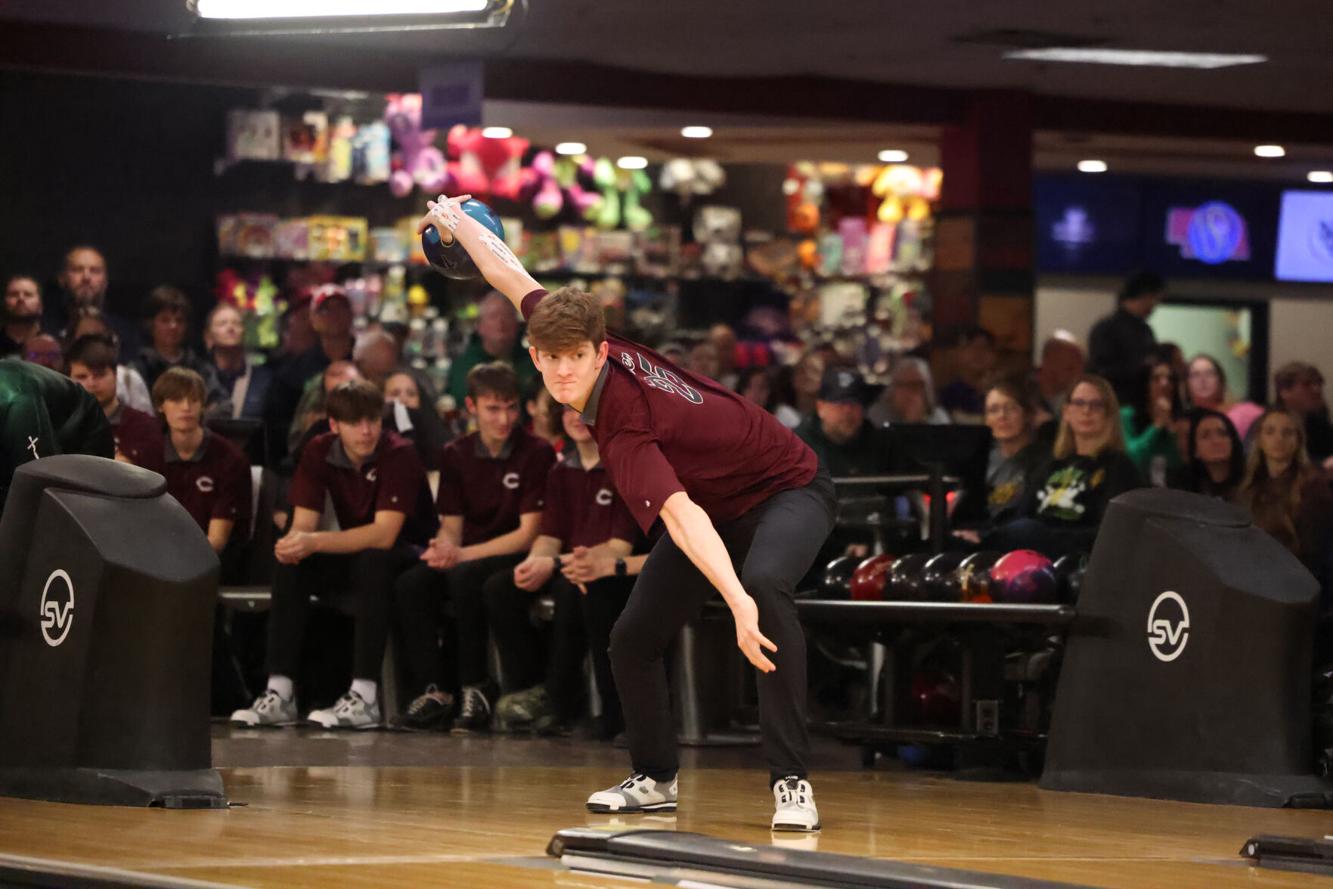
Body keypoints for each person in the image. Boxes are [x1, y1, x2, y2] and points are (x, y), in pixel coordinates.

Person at [421, 192, 834, 831]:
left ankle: (791, 782)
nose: (564, 372)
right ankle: (656, 778)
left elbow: (681, 516)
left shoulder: (624, 426)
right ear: (535, 355)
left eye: (575, 359)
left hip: (788, 487)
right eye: (551, 360)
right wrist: (454, 221)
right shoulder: (570, 328)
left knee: (763, 588)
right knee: (631, 639)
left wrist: (737, 602)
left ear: (600, 352)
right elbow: (509, 273)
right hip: (714, 504)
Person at [230, 379, 437, 730]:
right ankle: (280, 691)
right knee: (291, 563)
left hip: (409, 553)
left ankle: (365, 696)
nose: (366, 431)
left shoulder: (399, 453)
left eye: (373, 420)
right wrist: (294, 543)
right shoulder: (319, 449)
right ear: (334, 425)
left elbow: (385, 534)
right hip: (355, 550)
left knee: (372, 559)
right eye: (355, 422)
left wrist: (312, 541)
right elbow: (304, 524)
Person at [392, 362, 554, 734]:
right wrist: (443, 548)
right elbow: (452, 526)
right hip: (471, 553)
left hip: (515, 552)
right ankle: (435, 691)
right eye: (493, 409)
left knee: (465, 577)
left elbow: (528, 534)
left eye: (511, 407)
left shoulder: (536, 452)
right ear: (471, 407)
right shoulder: (455, 452)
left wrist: (460, 555)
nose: (504, 418)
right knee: (412, 583)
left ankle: (476, 686)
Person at [481, 404, 645, 738]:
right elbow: (549, 537)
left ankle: (561, 698)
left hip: (607, 570)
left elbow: (618, 548)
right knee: (501, 586)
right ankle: (529, 688)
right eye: (569, 411)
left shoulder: (624, 466)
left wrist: (555, 563)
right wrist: (536, 561)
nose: (577, 418)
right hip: (570, 563)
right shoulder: (561, 470)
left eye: (586, 410)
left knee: (573, 587)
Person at [986, 374, 1142, 558]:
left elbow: (1111, 532)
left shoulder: (1119, 466)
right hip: (1031, 548)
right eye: (1079, 403)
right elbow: (1023, 513)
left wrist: (1049, 536)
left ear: (1109, 415)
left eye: (1096, 405)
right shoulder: (1051, 464)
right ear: (1066, 411)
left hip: (1077, 557)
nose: (1086, 411)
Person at [147, 368, 252, 553]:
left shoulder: (231, 459)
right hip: (155, 554)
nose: (186, 407)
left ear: (203, 405)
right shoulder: (147, 454)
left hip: (212, 560)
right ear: (160, 406)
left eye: (193, 400)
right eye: (176, 400)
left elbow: (217, 541)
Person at [0, 357, 114, 513]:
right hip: (25, 419)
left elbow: (41, 480)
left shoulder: (19, 401)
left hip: (82, 433)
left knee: (45, 501)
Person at [263, 285, 355, 463]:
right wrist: (303, 423)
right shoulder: (293, 371)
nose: (334, 315)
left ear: (351, 315)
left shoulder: (368, 361)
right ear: (313, 319)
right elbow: (274, 422)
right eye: (325, 309)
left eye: (341, 308)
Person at [1238, 408, 1333, 575]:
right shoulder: (1248, 484)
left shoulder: (1313, 487)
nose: (1278, 439)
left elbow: (1314, 548)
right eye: (1270, 432)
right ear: (1259, 438)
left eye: (1287, 432)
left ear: (1298, 440)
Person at [66, 334, 160, 467]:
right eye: (82, 377)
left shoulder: (144, 427)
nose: (91, 383)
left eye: (99, 375)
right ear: (68, 379)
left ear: (115, 375)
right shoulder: (59, 426)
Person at [133, 286, 230, 415]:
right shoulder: (138, 370)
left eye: (179, 320)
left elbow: (222, 405)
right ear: (150, 324)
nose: (173, 326)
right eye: (165, 320)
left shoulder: (201, 368)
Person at [46, 246, 141, 362]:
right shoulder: (45, 329)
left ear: (105, 281)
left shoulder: (125, 333)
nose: (86, 277)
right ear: (62, 278)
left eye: (95, 271)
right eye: (77, 270)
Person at [444, 291, 538, 406]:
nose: (501, 322)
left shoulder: (533, 363)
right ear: (479, 326)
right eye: (493, 316)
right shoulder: (464, 366)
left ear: (517, 324)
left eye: (507, 315)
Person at [977, 379, 1049, 526]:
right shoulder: (980, 460)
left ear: (1027, 414)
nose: (1002, 416)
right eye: (993, 410)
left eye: (1011, 408)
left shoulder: (1046, 461)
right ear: (986, 419)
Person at [795, 367, 889, 479]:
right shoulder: (798, 446)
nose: (847, 411)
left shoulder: (880, 443)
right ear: (821, 407)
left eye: (854, 404)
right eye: (840, 404)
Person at [1088, 271, 1163, 404]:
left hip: (1141, 403)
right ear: (1145, 295)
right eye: (1154, 299)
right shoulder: (1107, 328)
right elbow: (1101, 370)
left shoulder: (1145, 330)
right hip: (1115, 400)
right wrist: (1140, 368)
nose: (1154, 306)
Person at [67, 306, 154, 413]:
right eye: (85, 337)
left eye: (97, 336)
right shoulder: (60, 380)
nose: (91, 383)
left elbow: (144, 419)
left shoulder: (129, 378)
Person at [1120, 357, 1187, 487]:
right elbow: (1131, 458)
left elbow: (1180, 464)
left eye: (1170, 379)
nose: (1165, 384)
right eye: (1156, 379)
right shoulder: (1126, 415)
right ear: (1144, 384)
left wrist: (1171, 430)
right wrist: (1156, 427)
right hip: (1134, 489)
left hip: (1171, 490)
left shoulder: (1180, 420)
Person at [205, 303, 271, 420]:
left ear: (244, 333)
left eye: (236, 323)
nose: (230, 328)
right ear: (208, 337)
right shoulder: (201, 377)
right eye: (222, 323)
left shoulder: (264, 381)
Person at [1168, 409, 1245, 501]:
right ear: (1196, 450)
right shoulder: (1184, 489)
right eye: (1206, 436)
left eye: (1222, 434)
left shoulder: (1250, 484)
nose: (1216, 441)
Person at [1185, 353, 1262, 442]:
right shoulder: (1184, 424)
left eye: (1209, 374)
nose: (1203, 380)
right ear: (1186, 384)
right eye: (1195, 375)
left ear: (1221, 381)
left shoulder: (1247, 413)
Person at [1273, 362, 1333, 468]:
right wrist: (1322, 466)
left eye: (1319, 384)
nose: (1317, 390)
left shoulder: (1318, 424)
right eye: (1307, 385)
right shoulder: (1270, 424)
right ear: (1284, 391)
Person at [868, 356, 951, 427]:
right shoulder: (876, 416)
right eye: (904, 385)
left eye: (917, 385)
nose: (910, 392)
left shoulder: (938, 417)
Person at [937, 325, 997, 421]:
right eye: (971, 346)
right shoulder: (947, 396)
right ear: (959, 353)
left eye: (985, 347)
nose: (979, 352)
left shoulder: (1003, 394)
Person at [1032, 333, 1085, 427]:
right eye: (1071, 368)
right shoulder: (1021, 397)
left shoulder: (1076, 400)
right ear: (1050, 364)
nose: (1079, 374)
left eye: (1081, 368)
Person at [2, 275, 44, 358]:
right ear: (4, 303)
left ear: (40, 305)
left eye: (28, 295)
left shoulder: (55, 344)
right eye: (14, 294)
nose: (21, 299)